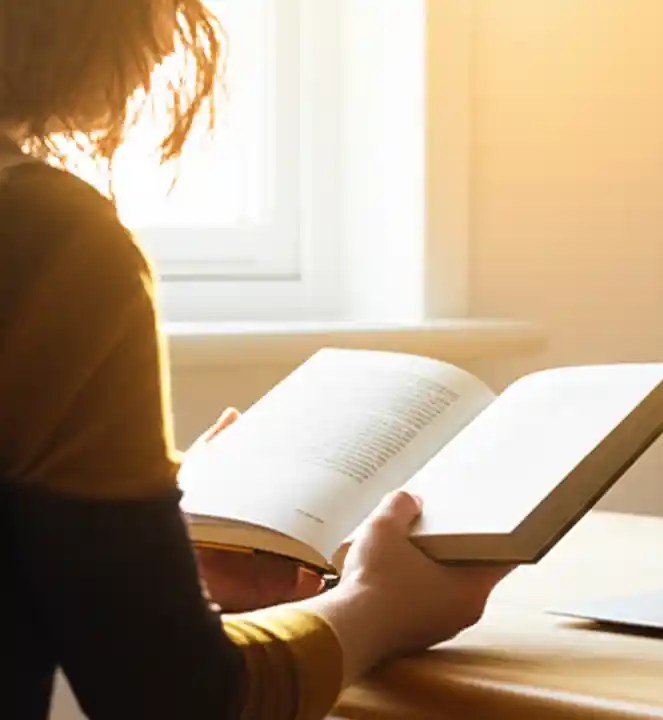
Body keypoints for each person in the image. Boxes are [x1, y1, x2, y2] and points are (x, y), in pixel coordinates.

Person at [0, 2, 512, 718]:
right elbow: (177, 700)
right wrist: (380, 605)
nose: (172, 36)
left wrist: (143, 545)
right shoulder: (45, 240)